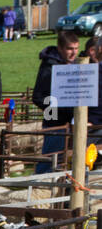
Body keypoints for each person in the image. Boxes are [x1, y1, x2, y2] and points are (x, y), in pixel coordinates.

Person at [32, 30, 80, 174]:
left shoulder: (76, 64)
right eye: (70, 49)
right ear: (60, 48)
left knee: (67, 161)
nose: (74, 52)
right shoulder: (50, 67)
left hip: (72, 121)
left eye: (76, 48)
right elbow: (38, 96)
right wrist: (59, 109)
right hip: (55, 122)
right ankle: (38, 187)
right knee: (50, 161)